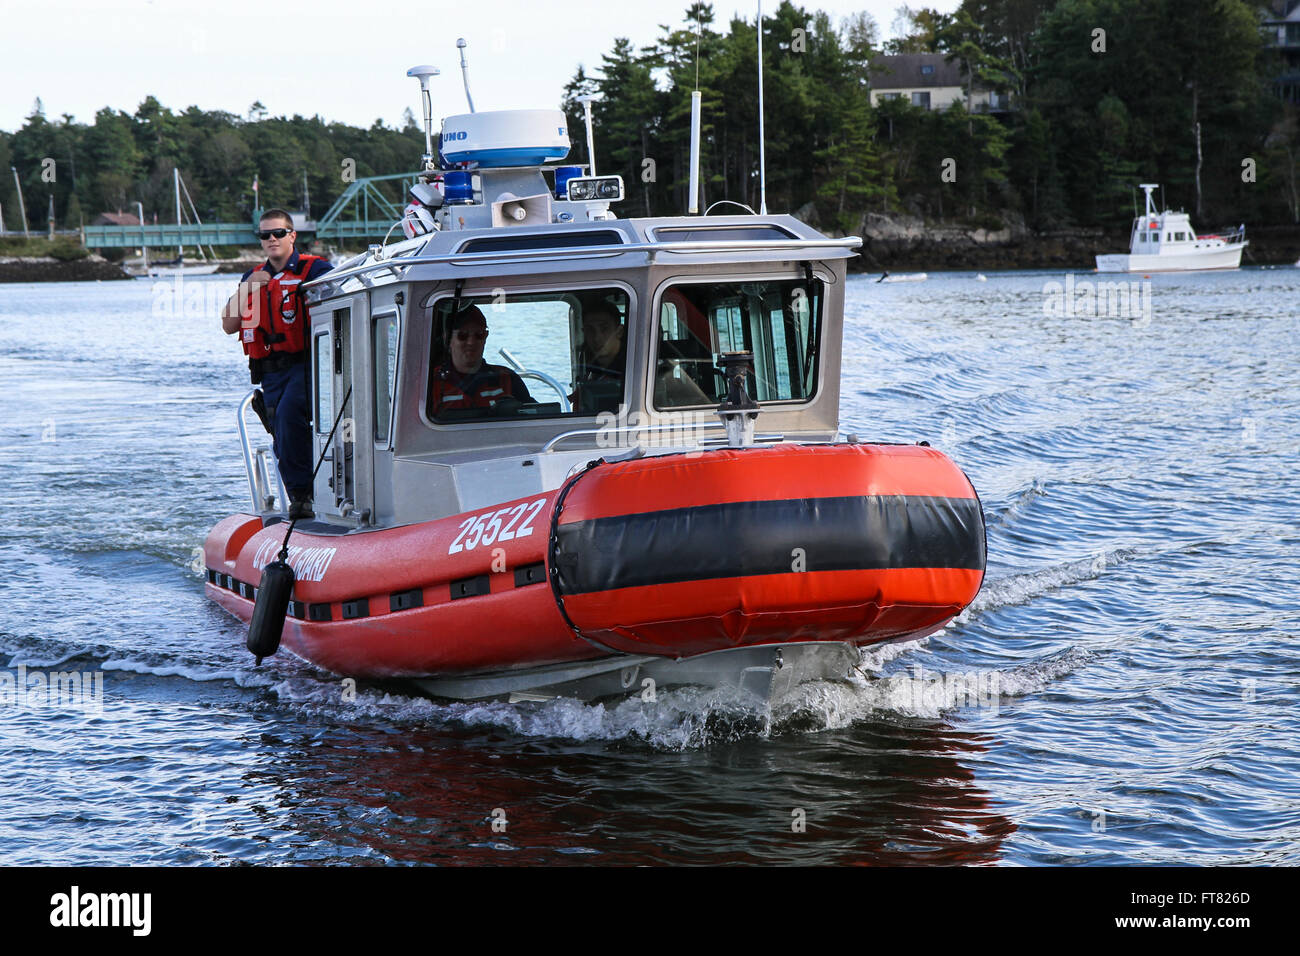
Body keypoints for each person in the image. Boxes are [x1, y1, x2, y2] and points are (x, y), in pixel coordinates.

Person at [221, 208, 332, 519]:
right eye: (265, 235)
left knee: (288, 416)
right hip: (271, 372)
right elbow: (229, 325)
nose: (271, 239)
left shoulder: (315, 270)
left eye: (278, 233)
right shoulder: (253, 277)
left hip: (308, 363)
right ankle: (300, 494)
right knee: (281, 433)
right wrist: (248, 287)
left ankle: (303, 495)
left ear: (292, 236)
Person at [428, 304, 534, 416]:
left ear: (486, 337)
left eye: (479, 334)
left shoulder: (507, 378)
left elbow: (534, 416)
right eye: (462, 335)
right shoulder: (430, 382)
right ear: (447, 338)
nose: (471, 342)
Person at [571, 299, 628, 414]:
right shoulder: (590, 369)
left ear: (619, 331)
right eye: (590, 330)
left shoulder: (632, 370)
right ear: (584, 332)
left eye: (604, 328)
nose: (597, 337)